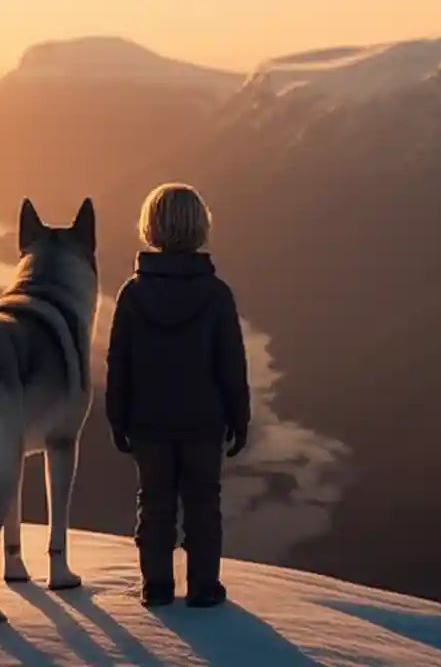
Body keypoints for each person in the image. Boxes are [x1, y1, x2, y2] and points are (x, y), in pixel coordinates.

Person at [105, 183, 251, 609]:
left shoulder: (133, 294)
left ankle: (157, 586)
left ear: (149, 228)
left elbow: (120, 362)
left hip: (148, 422)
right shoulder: (216, 294)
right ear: (200, 226)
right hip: (204, 422)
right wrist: (239, 418)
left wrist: (118, 418)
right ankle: (204, 587)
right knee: (204, 504)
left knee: (154, 505)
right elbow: (231, 364)